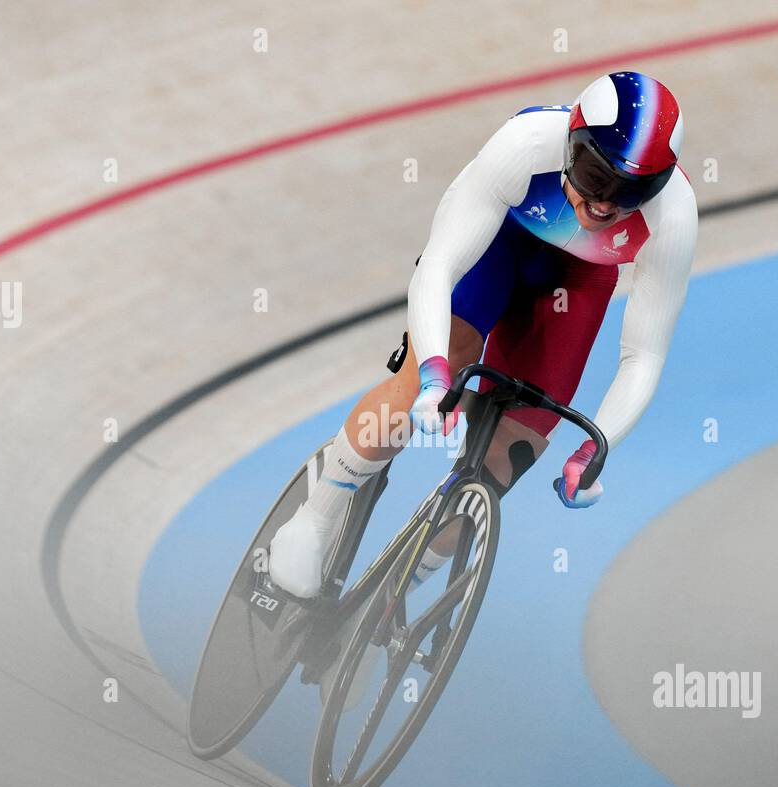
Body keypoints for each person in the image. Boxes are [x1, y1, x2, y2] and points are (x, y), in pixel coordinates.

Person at [269, 71, 698, 601]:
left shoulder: (674, 217)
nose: (607, 205)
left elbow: (643, 356)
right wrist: (431, 375)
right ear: (570, 144)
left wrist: (594, 449)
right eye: (594, 177)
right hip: (495, 245)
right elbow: (440, 268)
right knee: (427, 382)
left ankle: (392, 602)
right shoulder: (524, 145)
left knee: (508, 457)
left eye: (632, 191)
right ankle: (316, 518)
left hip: (576, 285)